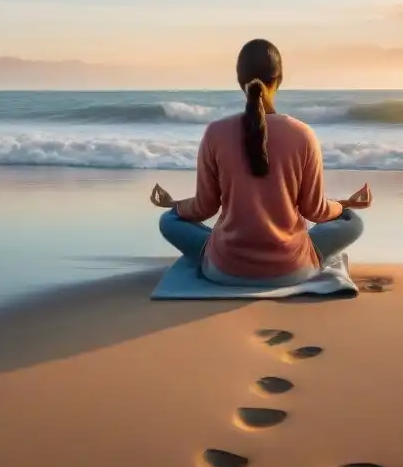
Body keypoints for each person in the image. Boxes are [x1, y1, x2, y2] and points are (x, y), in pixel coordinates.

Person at [150, 38, 372, 286]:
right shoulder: (302, 134)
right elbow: (316, 211)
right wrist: (344, 206)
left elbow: (204, 208)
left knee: (169, 220)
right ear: (279, 78)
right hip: (293, 269)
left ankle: (224, 250)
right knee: (353, 221)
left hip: (225, 270)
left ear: (238, 80)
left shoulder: (215, 133)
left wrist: (175, 205)